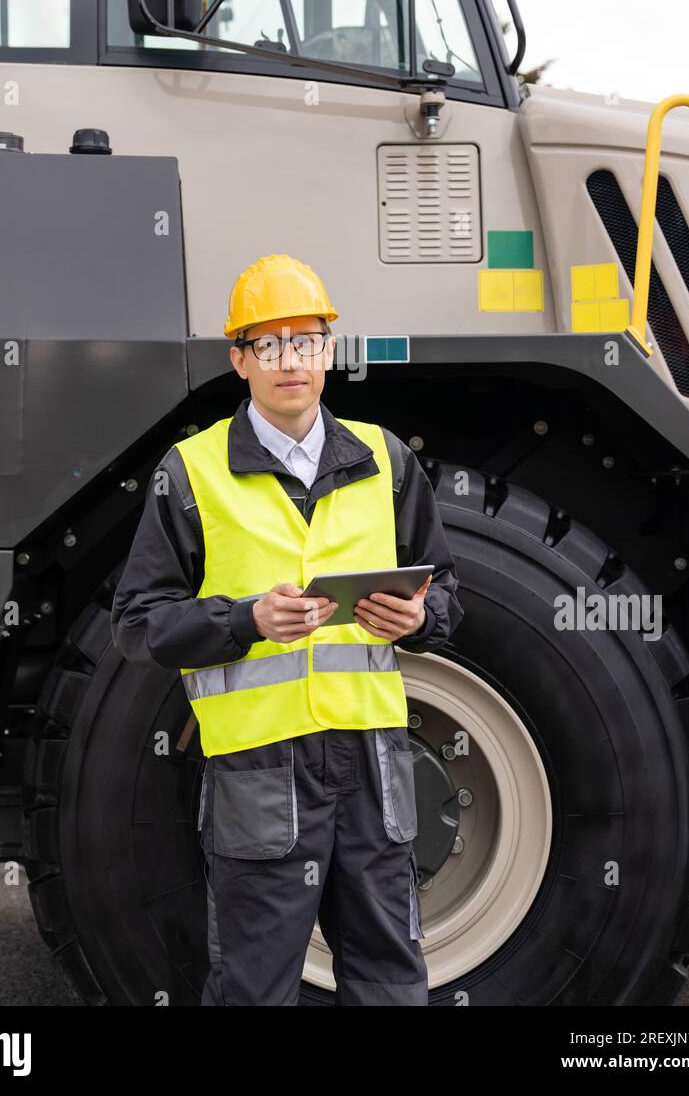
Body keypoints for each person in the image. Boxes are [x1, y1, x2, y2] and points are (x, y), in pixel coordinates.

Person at [111, 253, 464, 1005]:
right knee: (255, 985)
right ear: (238, 359)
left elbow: (446, 591)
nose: (290, 360)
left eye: (305, 340)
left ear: (330, 351)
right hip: (259, 773)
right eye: (267, 344)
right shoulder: (191, 473)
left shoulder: (386, 461)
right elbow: (138, 626)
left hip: (372, 766)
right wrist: (246, 620)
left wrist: (418, 617)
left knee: (391, 979)